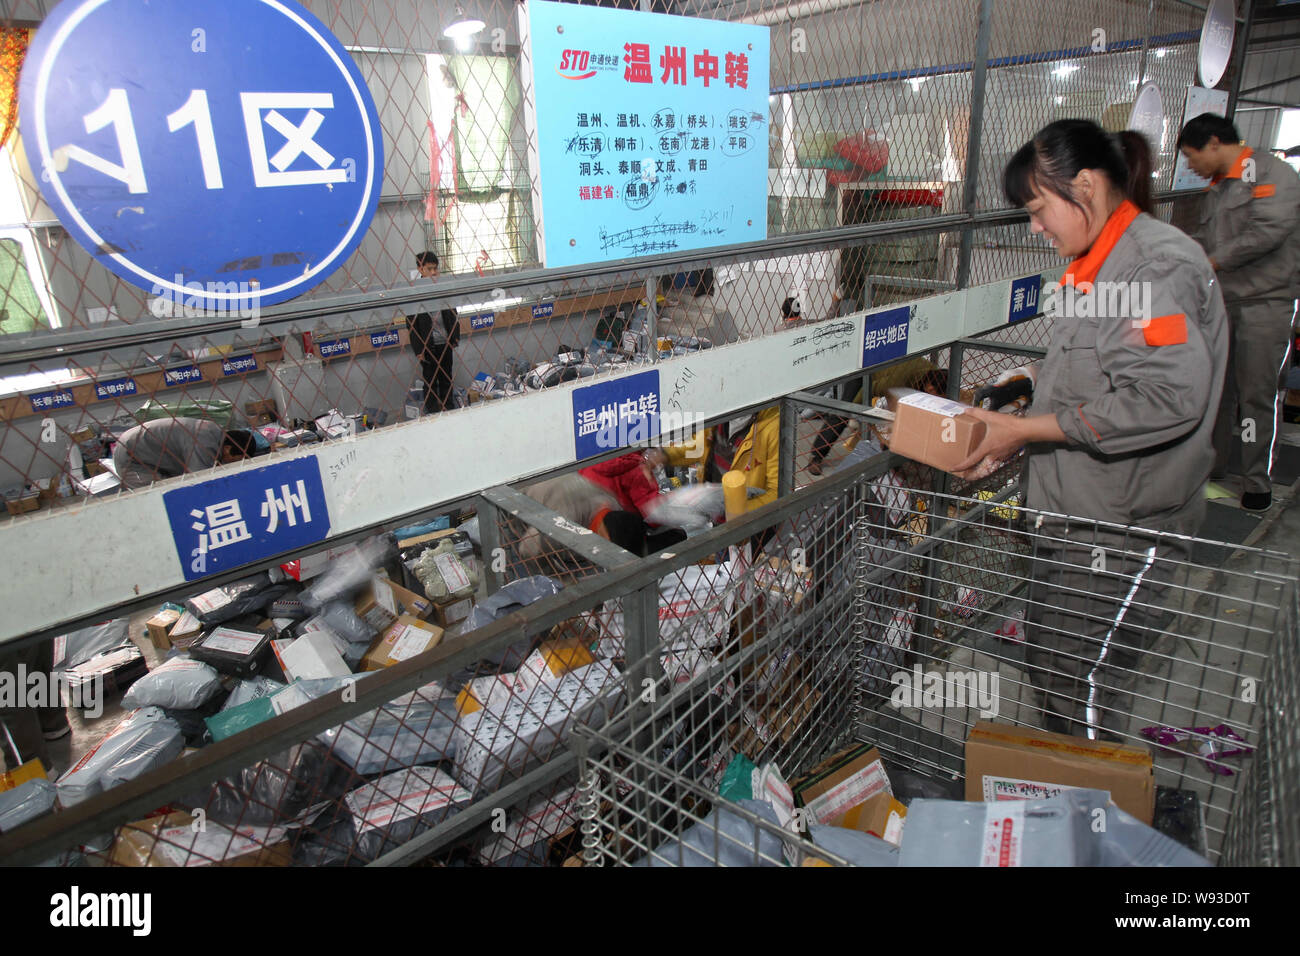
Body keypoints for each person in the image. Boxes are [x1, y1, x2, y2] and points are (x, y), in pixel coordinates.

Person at [953, 120, 1228, 740]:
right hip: (1079, 515)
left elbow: (1167, 397)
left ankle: (1096, 816)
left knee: (1084, 685)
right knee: (1052, 665)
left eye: (1039, 209)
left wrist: (1021, 434)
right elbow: (1085, 378)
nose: (1035, 227)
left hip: (1124, 529)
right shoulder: (1095, 268)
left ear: (1085, 185)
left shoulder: (1152, 271)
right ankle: (1075, 808)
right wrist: (1012, 421)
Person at [1177, 113, 1300, 512]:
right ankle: (1212, 467)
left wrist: (1211, 261)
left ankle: (1256, 481)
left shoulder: (1270, 173)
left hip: (1267, 302)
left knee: (1256, 396)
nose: (1190, 165)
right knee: (1218, 390)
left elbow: (1268, 231)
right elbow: (1205, 240)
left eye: (1191, 155)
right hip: (1224, 304)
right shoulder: (1218, 190)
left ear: (1214, 143)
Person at [113, 417, 256, 489]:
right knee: (164, 494)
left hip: (142, 447)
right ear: (228, 449)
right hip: (131, 459)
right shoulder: (203, 443)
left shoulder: (213, 433)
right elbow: (200, 481)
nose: (234, 464)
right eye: (236, 460)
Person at [405, 252, 462, 415]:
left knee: (446, 378)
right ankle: (432, 412)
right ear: (420, 269)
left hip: (445, 343)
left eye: (435, 269)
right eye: (429, 269)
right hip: (427, 345)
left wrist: (455, 335)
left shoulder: (443, 287)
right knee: (430, 380)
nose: (433, 273)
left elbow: (453, 313)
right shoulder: (415, 292)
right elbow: (412, 325)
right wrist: (418, 350)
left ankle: (449, 408)